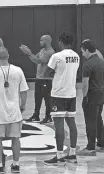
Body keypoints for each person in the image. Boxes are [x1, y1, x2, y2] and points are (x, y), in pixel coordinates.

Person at [44, 32, 80, 166]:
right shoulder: (76, 56)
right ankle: (72, 154)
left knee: (58, 124)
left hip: (58, 94)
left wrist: (55, 73)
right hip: (72, 93)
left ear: (60, 42)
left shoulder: (56, 56)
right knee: (72, 123)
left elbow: (46, 72)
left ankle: (59, 157)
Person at [77, 40, 104, 156]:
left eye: (83, 52)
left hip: (92, 95)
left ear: (87, 50)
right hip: (102, 93)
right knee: (98, 118)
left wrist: (84, 97)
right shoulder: (101, 62)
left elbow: (85, 84)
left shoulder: (87, 64)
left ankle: (90, 147)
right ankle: (100, 144)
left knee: (90, 120)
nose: (83, 54)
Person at [20, 35, 55, 124]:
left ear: (47, 41)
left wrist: (29, 53)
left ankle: (48, 116)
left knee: (47, 99)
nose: (40, 42)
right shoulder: (42, 50)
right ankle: (36, 115)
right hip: (39, 78)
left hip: (46, 79)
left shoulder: (50, 52)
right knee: (37, 98)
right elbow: (35, 59)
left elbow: (39, 61)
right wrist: (28, 53)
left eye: (41, 40)